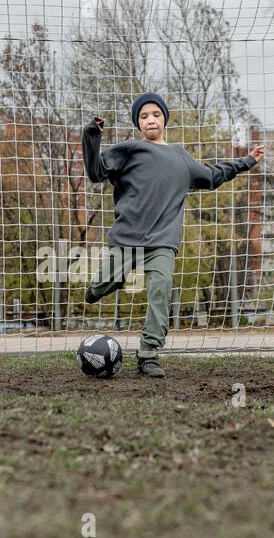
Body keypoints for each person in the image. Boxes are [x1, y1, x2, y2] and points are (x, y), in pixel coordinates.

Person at [81, 92, 263, 377]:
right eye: (143, 116)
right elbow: (95, 172)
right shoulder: (130, 149)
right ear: (138, 124)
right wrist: (91, 135)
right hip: (127, 237)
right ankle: (100, 287)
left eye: (155, 114)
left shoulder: (181, 157)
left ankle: (149, 354)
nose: (150, 119)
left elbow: (212, 176)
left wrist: (246, 161)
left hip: (162, 242)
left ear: (164, 118)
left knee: (161, 287)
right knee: (101, 286)